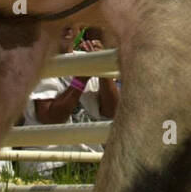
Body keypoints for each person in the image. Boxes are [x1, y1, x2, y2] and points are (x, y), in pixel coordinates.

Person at [15, 26, 118, 177]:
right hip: (48, 164)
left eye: (73, 18)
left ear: (80, 27)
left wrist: (103, 69)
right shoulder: (36, 63)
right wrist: (80, 80)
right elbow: (50, 117)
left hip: (88, 161)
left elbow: (112, 112)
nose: (67, 24)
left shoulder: (87, 58)